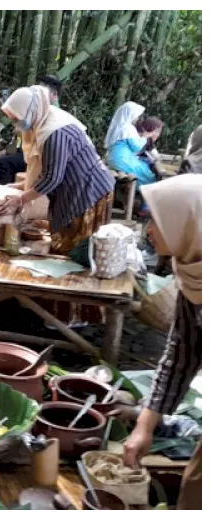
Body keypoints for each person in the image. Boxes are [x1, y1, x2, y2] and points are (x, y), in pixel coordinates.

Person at [0, 85, 115, 326]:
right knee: (65, 245)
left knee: (78, 253)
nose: (16, 124)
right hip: (75, 190)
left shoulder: (54, 132)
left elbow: (52, 178)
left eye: (16, 119)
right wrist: (20, 189)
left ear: (30, 112)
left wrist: (21, 198)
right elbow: (42, 172)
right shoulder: (44, 122)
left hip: (88, 193)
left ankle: (77, 315)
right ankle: (59, 310)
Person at [121, 175, 202, 510]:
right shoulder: (192, 272)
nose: (149, 230)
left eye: (156, 220)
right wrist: (145, 426)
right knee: (194, 491)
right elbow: (181, 352)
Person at [0, 76, 63, 184]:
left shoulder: (52, 113)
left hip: (43, 157)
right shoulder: (36, 102)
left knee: (4, 163)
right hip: (31, 150)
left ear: (54, 94)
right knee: (6, 160)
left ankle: (5, 193)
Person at [105, 101, 159, 188]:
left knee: (144, 166)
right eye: (136, 115)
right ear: (130, 114)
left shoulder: (119, 127)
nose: (137, 118)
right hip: (122, 160)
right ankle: (145, 197)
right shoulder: (127, 128)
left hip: (113, 159)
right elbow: (136, 147)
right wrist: (146, 137)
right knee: (148, 175)